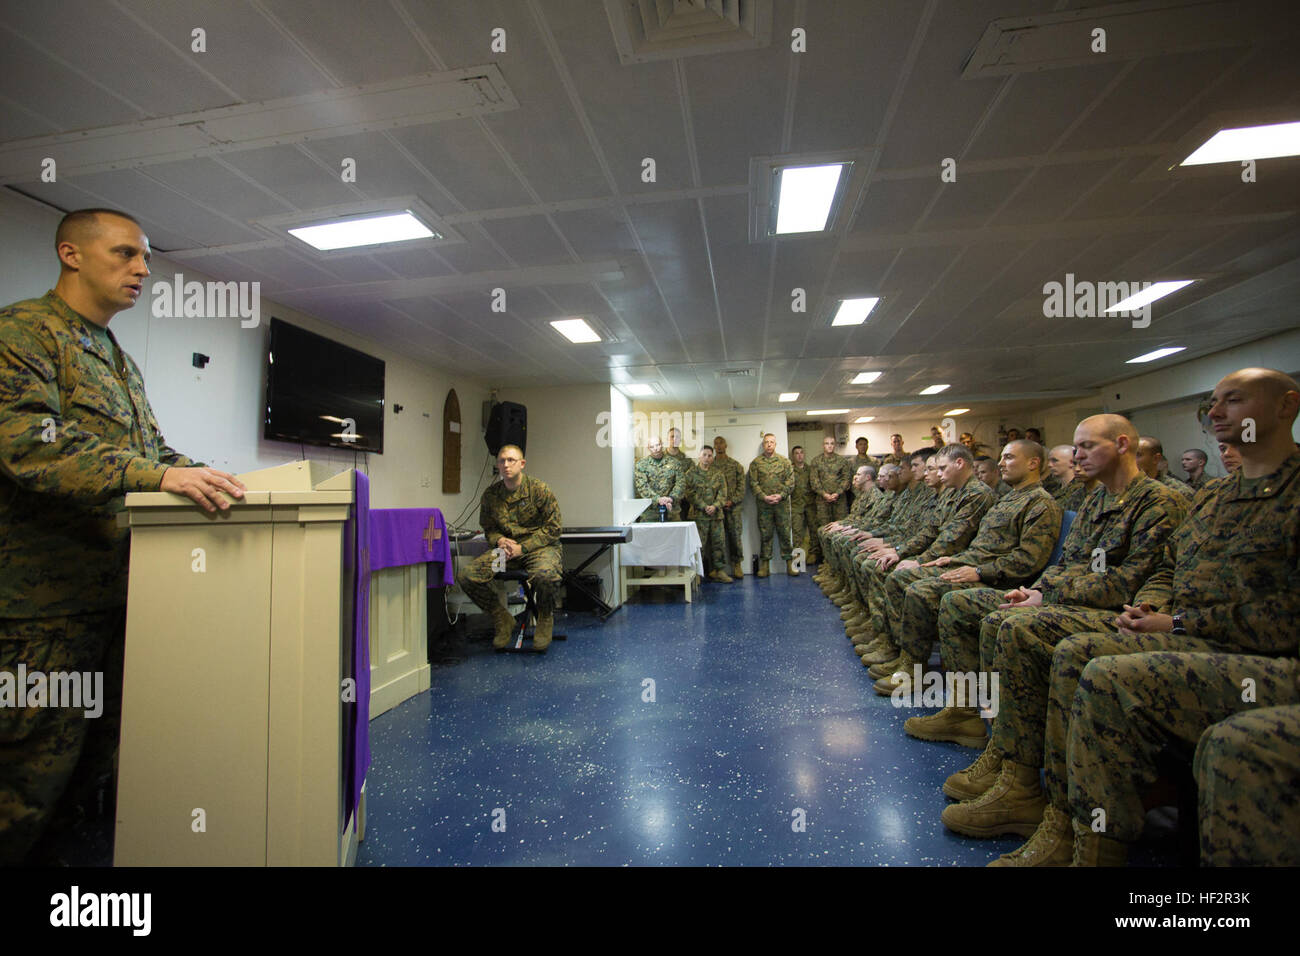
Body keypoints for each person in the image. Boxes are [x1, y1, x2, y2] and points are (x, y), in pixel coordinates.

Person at [0, 208, 247, 865]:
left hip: (113, 601)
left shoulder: (114, 355)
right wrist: (159, 472)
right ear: (71, 254)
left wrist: (214, 478)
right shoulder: (24, 333)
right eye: (125, 255)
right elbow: (29, 444)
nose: (142, 269)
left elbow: (149, 449)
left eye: (145, 259)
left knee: (91, 777)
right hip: (41, 615)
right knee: (24, 785)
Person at [982, 368, 1300, 866]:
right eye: (1212, 404)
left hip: (1267, 659)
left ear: (1285, 407)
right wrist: (1151, 607)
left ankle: (1097, 846)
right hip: (1190, 633)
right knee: (1072, 654)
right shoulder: (1217, 497)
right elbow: (1170, 567)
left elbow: (1283, 617)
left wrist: (1177, 623)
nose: (1214, 414)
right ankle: (1059, 813)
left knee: (1106, 677)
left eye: (1232, 401)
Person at [934, 414, 1191, 846]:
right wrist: (1038, 593)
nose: (1077, 455)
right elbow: (1069, 563)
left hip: (1121, 612)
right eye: (1077, 447)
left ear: (1123, 445)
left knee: (1019, 631)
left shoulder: (1156, 502)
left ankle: (1026, 780)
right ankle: (1008, 758)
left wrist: (1049, 594)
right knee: (1002, 620)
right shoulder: (1096, 500)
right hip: (1079, 600)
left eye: (1088, 446)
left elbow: (1128, 582)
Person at [869, 441, 1062, 698]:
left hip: (1000, 580)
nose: (1001, 464)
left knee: (917, 589)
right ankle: (906, 658)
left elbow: (1027, 560)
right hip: (973, 565)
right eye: (1002, 457)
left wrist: (980, 571)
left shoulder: (1039, 503)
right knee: (904, 580)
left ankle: (923, 675)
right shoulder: (1010, 499)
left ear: (1033, 463)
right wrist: (955, 560)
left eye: (1008, 458)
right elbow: (976, 544)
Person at [854, 444, 995, 673]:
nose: (937, 474)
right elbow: (930, 531)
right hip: (946, 557)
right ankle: (894, 645)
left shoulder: (977, 494)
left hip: (961, 561)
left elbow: (953, 539)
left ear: (959, 464)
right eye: (933, 469)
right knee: (889, 567)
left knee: (900, 578)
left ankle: (910, 664)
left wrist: (918, 560)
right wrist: (899, 551)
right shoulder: (954, 492)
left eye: (941, 468)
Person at [456, 444, 562, 651]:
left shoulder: (539, 490)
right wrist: (499, 541)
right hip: (505, 552)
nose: (506, 464)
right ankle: (502, 618)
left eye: (511, 460)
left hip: (538, 549)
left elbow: (553, 528)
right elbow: (489, 529)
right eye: (502, 461)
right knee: (467, 576)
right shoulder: (491, 495)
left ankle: (545, 618)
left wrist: (523, 547)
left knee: (546, 575)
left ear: (522, 464)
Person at [748, 433, 797, 577]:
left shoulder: (785, 462)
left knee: (785, 534)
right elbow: (753, 483)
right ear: (763, 445)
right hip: (764, 506)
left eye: (772, 442)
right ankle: (765, 566)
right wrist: (764, 497)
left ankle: (789, 564)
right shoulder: (756, 463)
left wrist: (780, 495)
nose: (769, 444)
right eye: (766, 442)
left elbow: (790, 482)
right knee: (765, 534)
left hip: (781, 505)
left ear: (776, 444)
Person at [684, 446, 732, 583]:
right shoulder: (691, 474)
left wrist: (715, 506)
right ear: (699, 456)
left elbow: (723, 493)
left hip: (716, 516)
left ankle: (719, 571)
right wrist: (704, 506)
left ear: (712, 457)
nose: (707, 458)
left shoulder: (718, 474)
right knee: (698, 546)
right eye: (704, 455)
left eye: (710, 455)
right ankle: (696, 574)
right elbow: (689, 493)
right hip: (698, 516)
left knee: (719, 544)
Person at [809, 435, 851, 561]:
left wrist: (837, 493)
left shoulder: (842, 461)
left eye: (832, 443)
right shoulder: (816, 461)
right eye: (827, 443)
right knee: (824, 529)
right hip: (823, 501)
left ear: (835, 445)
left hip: (839, 500)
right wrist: (824, 494)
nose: (830, 446)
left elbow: (846, 479)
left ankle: (841, 562)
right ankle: (827, 562)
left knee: (841, 529)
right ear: (823, 445)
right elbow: (814, 480)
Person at [712, 436, 746, 577]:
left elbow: (741, 488)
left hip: (733, 508)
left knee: (735, 537)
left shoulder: (735, 465)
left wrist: (732, 501)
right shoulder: (710, 465)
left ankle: (737, 565)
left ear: (726, 446)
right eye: (716, 444)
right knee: (717, 539)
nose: (719, 446)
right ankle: (717, 567)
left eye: (721, 443)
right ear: (714, 447)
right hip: (716, 509)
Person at [634, 436, 684, 521]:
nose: (656, 449)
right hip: (650, 512)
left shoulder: (675, 463)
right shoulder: (641, 465)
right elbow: (642, 487)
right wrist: (658, 499)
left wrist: (671, 498)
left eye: (657, 445)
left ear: (662, 444)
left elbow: (681, 484)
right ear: (648, 448)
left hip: (671, 510)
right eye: (652, 447)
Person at [1136, 436, 1194, 502]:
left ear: (1156, 458)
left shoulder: (1180, 491)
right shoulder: (1126, 489)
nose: (1130, 460)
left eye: (1137, 455)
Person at [789, 444, 816, 565]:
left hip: (810, 505)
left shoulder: (811, 469)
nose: (799, 455)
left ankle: (814, 555)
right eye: (796, 453)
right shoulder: (790, 470)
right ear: (793, 456)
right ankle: (798, 559)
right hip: (796, 505)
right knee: (797, 532)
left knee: (814, 530)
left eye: (801, 453)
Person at [664, 426, 691, 519]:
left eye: (677, 437)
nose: (674, 439)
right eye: (672, 436)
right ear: (667, 439)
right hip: (663, 502)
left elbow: (692, 481)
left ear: (680, 440)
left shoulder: (687, 461)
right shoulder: (660, 459)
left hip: (681, 503)